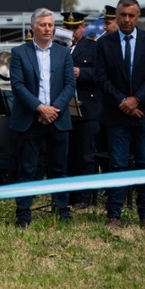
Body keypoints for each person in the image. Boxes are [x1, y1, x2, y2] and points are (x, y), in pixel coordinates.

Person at [96, 0, 145, 230]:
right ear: (117, 16)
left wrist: (136, 101)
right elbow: (101, 78)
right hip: (117, 116)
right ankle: (114, 215)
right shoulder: (105, 43)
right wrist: (123, 102)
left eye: (131, 15)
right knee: (117, 165)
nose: (126, 19)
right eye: (122, 15)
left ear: (138, 17)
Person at [9, 8, 75, 229]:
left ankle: (62, 209)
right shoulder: (19, 52)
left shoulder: (63, 53)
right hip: (31, 119)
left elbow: (69, 84)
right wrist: (40, 108)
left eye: (50, 25)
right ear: (33, 27)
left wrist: (53, 109)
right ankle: (23, 212)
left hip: (58, 118)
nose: (48, 29)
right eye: (43, 25)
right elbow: (17, 85)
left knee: (59, 167)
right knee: (27, 168)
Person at [61, 12, 101, 208]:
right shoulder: (59, 48)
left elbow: (102, 73)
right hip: (64, 109)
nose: (72, 32)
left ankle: (83, 196)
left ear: (83, 27)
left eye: (75, 28)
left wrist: (81, 72)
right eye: (68, 28)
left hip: (86, 107)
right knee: (66, 154)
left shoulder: (92, 48)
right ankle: (66, 194)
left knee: (85, 154)